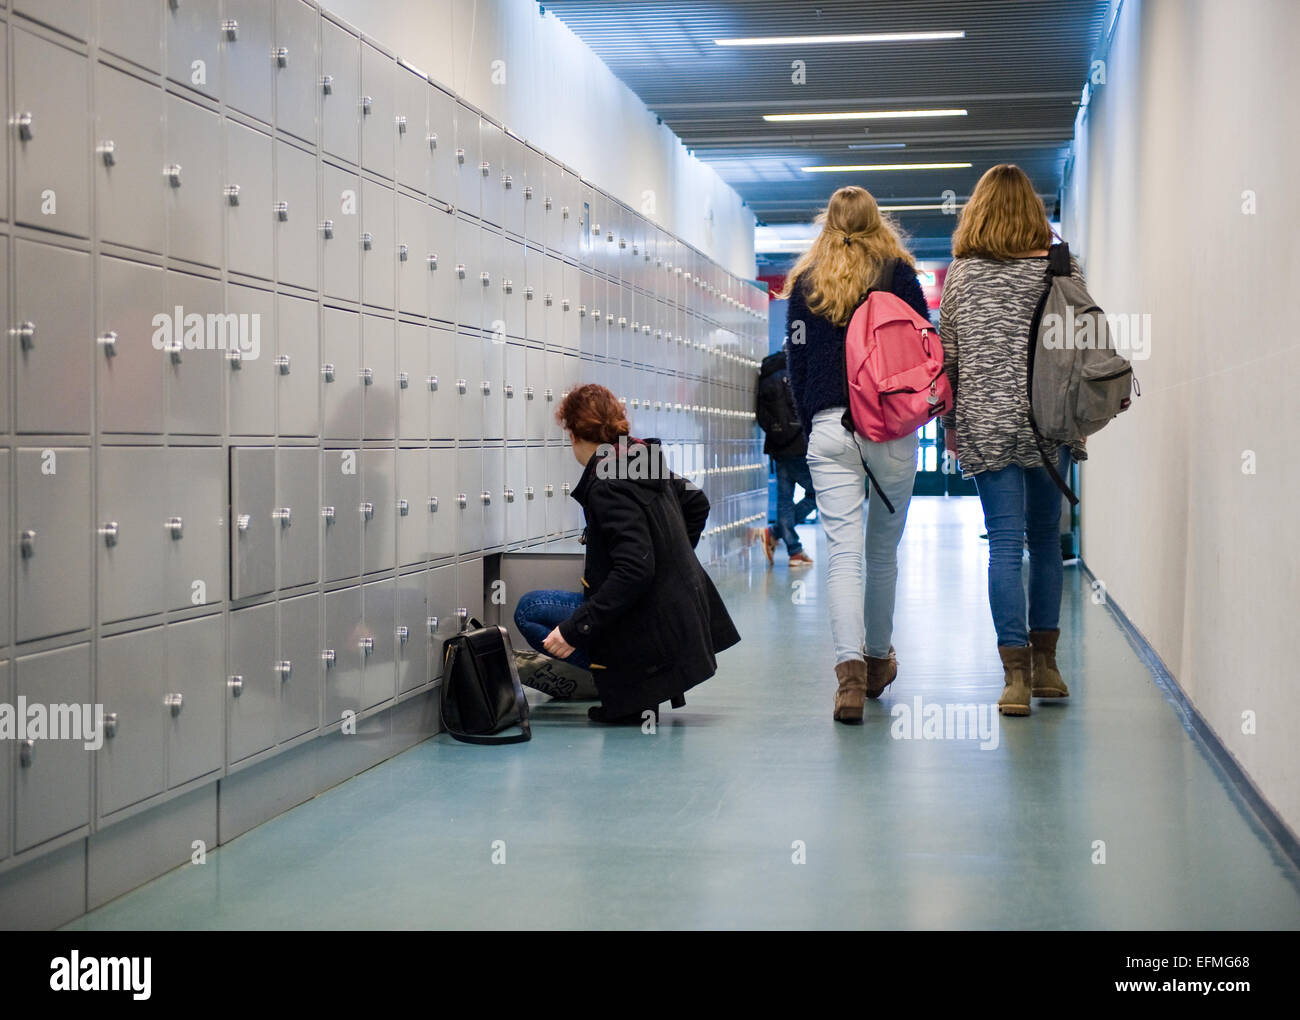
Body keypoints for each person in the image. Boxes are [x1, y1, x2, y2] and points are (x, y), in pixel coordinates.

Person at [938, 163, 1085, 716]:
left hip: (989, 425)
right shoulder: (1062, 266)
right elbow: (1083, 342)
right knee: (1046, 541)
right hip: (1053, 426)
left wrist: (950, 425)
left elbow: (946, 358)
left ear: (979, 211)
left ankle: (1015, 678)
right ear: (1033, 212)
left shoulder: (964, 275)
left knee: (1003, 545)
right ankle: (1048, 667)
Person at [782, 186, 931, 724]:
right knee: (882, 553)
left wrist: (814, 421)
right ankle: (875, 661)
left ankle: (848, 681)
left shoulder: (804, 284)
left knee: (842, 555)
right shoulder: (898, 274)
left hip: (829, 429)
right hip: (889, 427)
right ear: (877, 221)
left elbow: (795, 364)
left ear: (828, 222)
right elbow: (921, 349)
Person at [513, 384, 741, 724]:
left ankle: (620, 683)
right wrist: (671, 566)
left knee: (531, 609)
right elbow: (697, 502)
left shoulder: (607, 483)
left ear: (574, 435)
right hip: (677, 615)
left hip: (648, 625)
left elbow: (635, 570)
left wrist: (574, 630)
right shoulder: (636, 458)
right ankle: (622, 684)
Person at [756, 349, 815, 567]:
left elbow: (761, 413)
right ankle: (777, 534)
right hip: (798, 446)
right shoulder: (799, 372)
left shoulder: (767, 371)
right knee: (817, 492)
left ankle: (794, 551)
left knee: (785, 498)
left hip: (776, 446)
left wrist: (777, 434)